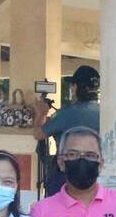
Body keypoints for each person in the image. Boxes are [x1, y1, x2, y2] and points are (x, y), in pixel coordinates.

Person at [35, 66, 100, 196]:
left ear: (75, 87)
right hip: (97, 173)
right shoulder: (106, 113)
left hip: (66, 176)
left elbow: (38, 134)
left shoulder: (66, 113)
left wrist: (41, 114)